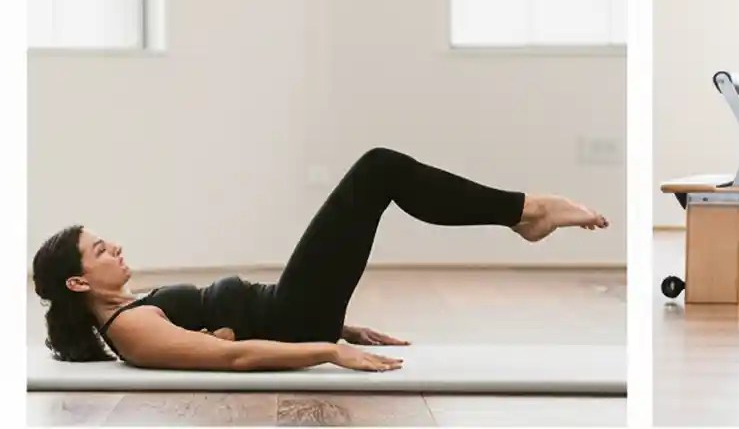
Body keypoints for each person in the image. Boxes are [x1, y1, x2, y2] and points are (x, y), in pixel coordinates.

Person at [31, 147, 609, 372]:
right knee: (377, 169)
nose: (117, 248)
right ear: (79, 280)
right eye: (102, 250)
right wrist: (329, 348)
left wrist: (338, 324)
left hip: (296, 310)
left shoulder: (132, 312)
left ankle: (524, 214)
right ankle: (525, 213)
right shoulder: (130, 329)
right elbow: (233, 358)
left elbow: (226, 334)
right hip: (292, 314)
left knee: (379, 171)